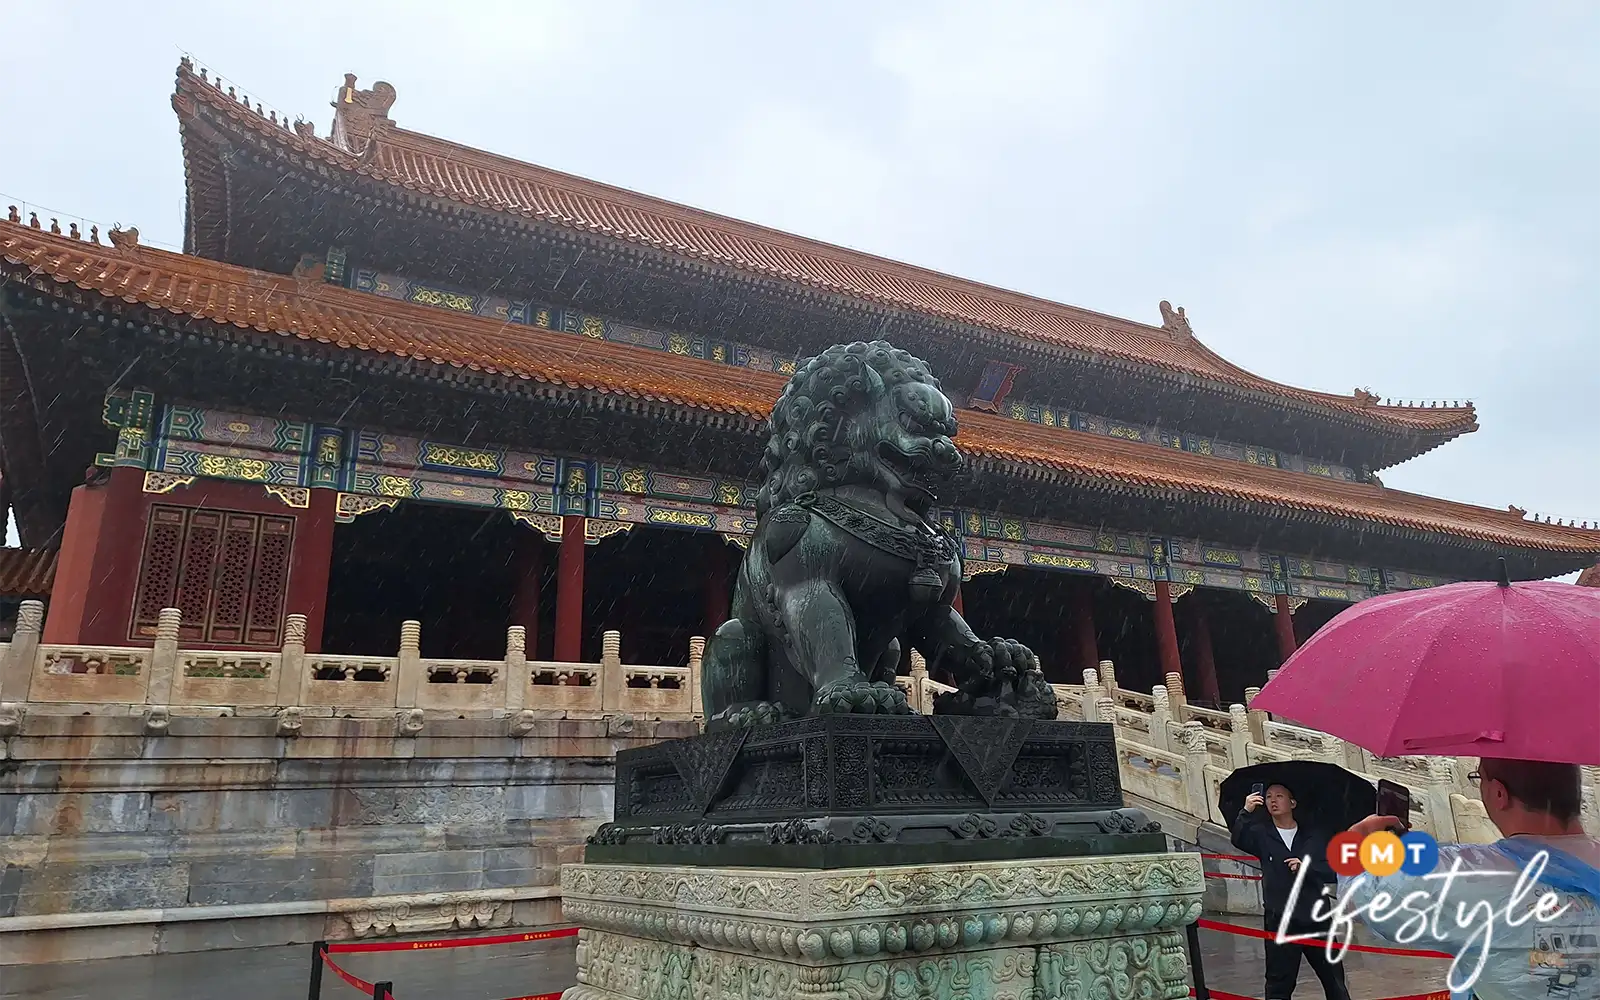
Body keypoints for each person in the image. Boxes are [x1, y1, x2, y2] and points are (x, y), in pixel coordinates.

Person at [1342, 758, 1600, 1000]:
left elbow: (1360, 901)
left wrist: (1355, 841)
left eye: (1480, 778)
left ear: (1499, 793)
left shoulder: (1465, 874)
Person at [1232, 782, 1352, 1000]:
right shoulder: (1261, 833)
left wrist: (1307, 867)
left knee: (1334, 981)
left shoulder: (1314, 835)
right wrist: (1246, 811)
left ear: (1292, 803)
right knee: (1279, 984)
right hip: (1281, 919)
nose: (1273, 801)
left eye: (1279, 796)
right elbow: (1238, 839)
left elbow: (1331, 870)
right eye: (1268, 797)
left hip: (1316, 916)